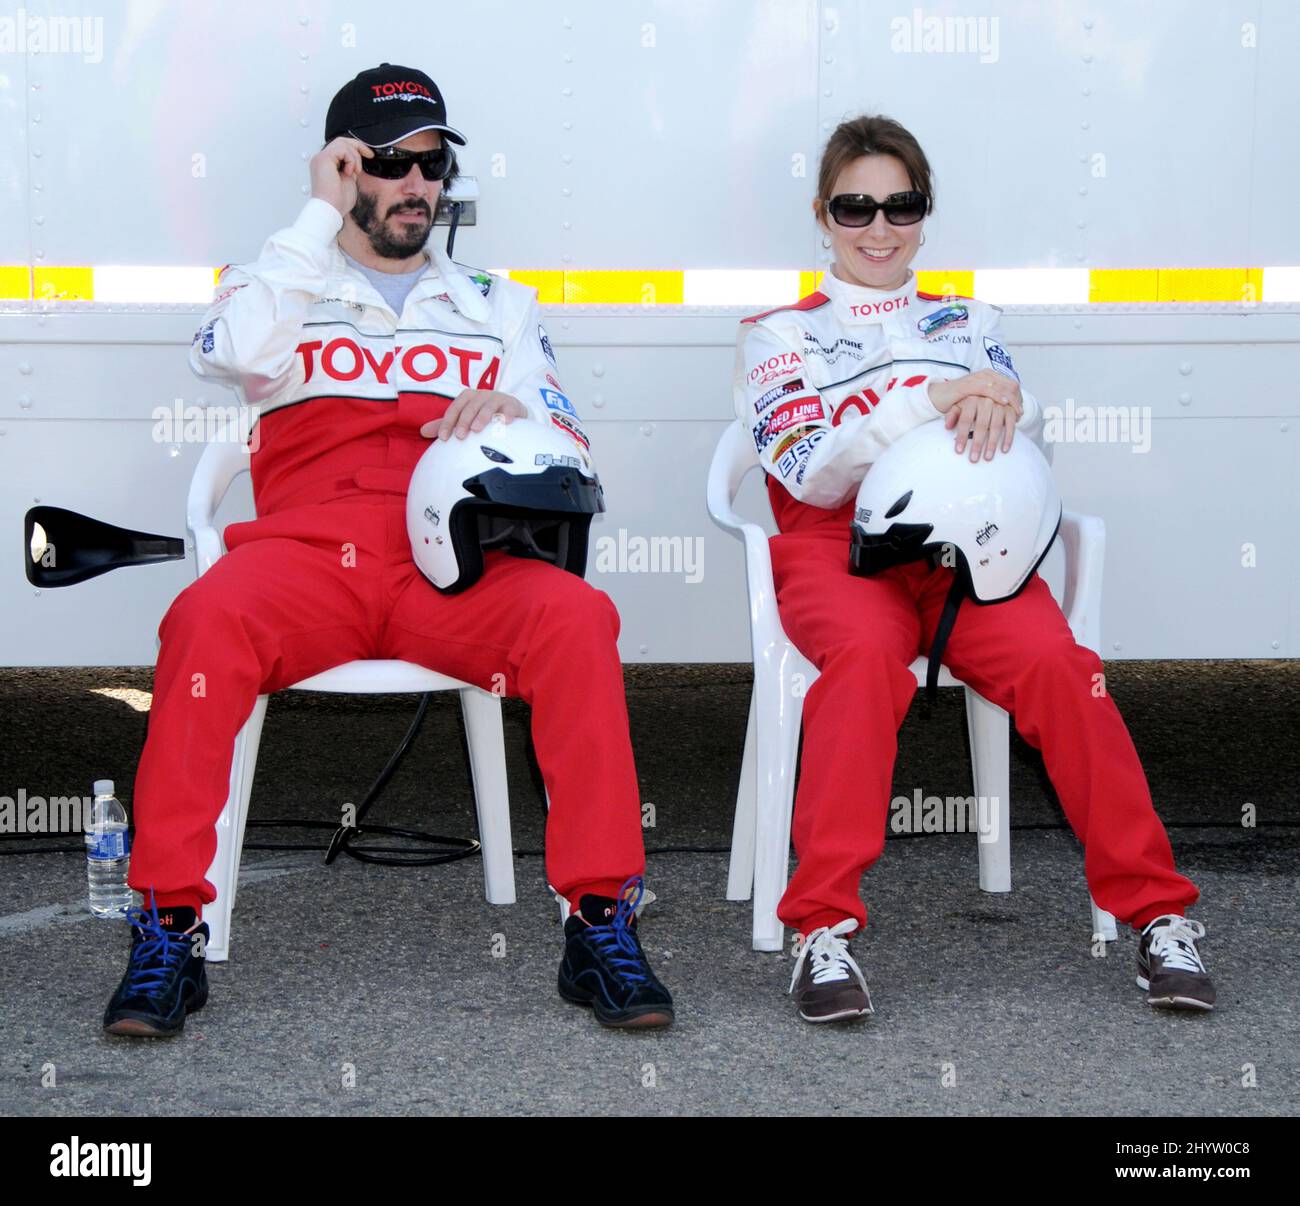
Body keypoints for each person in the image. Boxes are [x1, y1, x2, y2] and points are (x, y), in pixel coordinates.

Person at [103, 63, 673, 1036]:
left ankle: (599, 923)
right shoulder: (276, 279)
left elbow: (571, 442)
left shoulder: (498, 302)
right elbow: (226, 352)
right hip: (305, 554)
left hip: (452, 562)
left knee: (579, 617)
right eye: (388, 161)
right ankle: (167, 928)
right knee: (202, 618)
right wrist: (315, 222)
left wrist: (518, 415)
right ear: (340, 168)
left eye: (431, 163)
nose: (416, 183)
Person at [731, 114, 1214, 1023]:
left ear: (925, 212)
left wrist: (1005, 407)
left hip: (972, 553)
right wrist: (931, 401)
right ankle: (822, 930)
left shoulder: (968, 321)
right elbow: (810, 468)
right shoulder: (775, 336)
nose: (880, 228)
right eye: (856, 206)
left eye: (901, 205)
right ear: (822, 215)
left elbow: (1020, 426)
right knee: (867, 665)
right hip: (839, 552)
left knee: (1067, 670)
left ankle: (1158, 914)